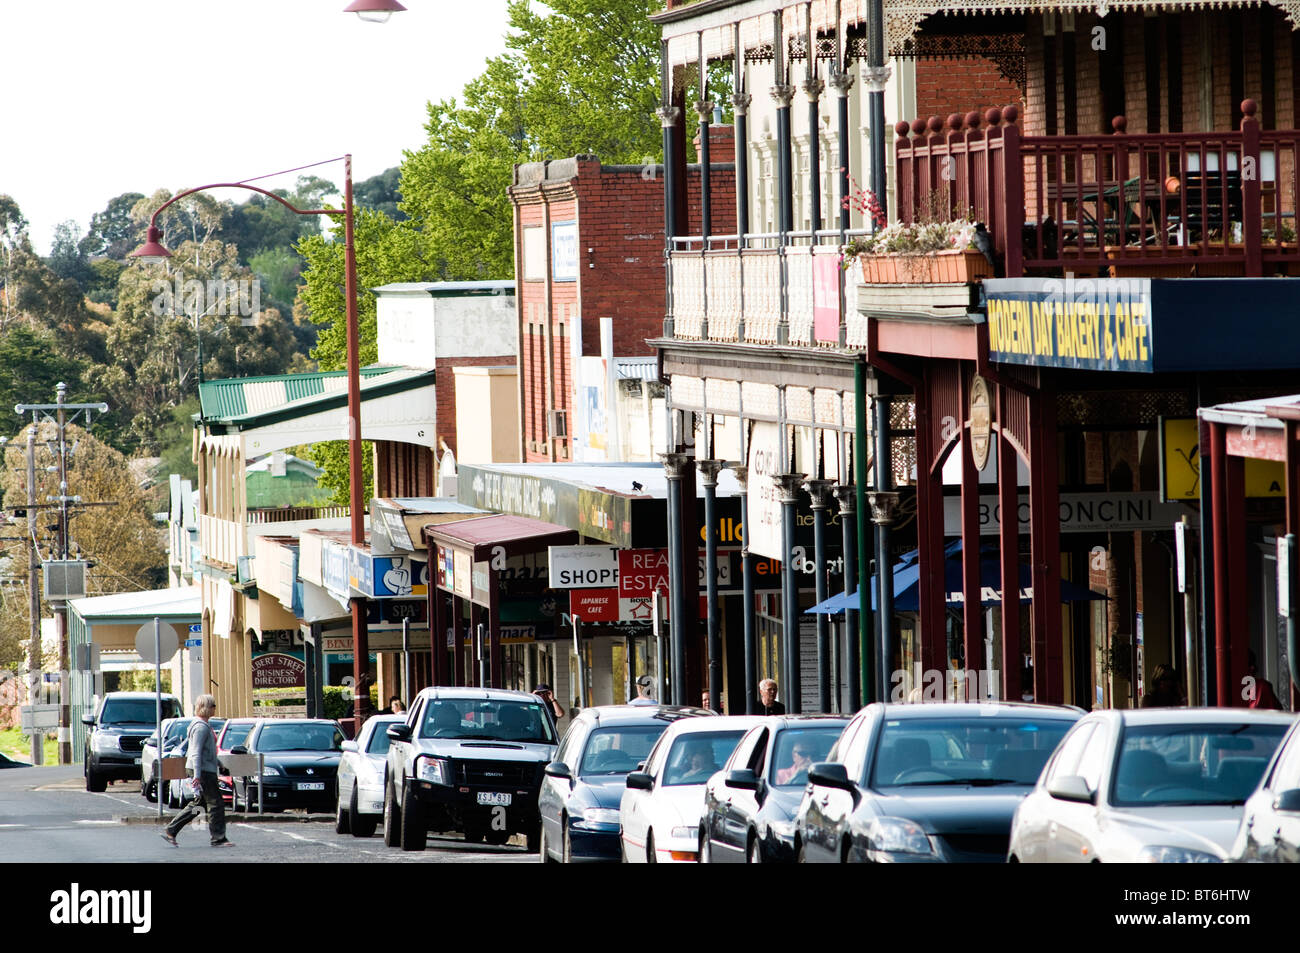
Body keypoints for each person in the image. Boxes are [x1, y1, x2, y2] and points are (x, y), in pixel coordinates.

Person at [161, 694, 232, 848]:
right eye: (213, 705)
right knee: (216, 803)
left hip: (204, 768)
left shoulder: (202, 725)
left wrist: (219, 764)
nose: (215, 708)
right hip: (203, 770)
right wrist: (198, 776)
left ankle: (171, 830)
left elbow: (207, 752)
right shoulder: (200, 727)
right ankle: (218, 838)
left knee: (199, 804)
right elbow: (196, 752)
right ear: (207, 708)